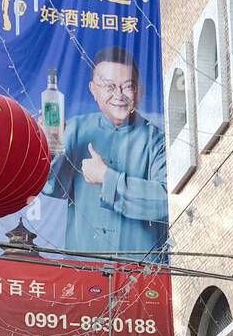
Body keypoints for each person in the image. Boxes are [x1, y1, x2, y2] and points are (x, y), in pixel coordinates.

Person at [40, 46, 168, 259]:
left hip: (142, 274)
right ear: (93, 89)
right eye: (109, 86)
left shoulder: (157, 141)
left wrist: (108, 178)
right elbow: (52, 187)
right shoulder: (76, 129)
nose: (119, 95)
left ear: (140, 91)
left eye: (128, 86)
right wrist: (49, 149)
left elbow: (165, 203)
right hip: (84, 267)